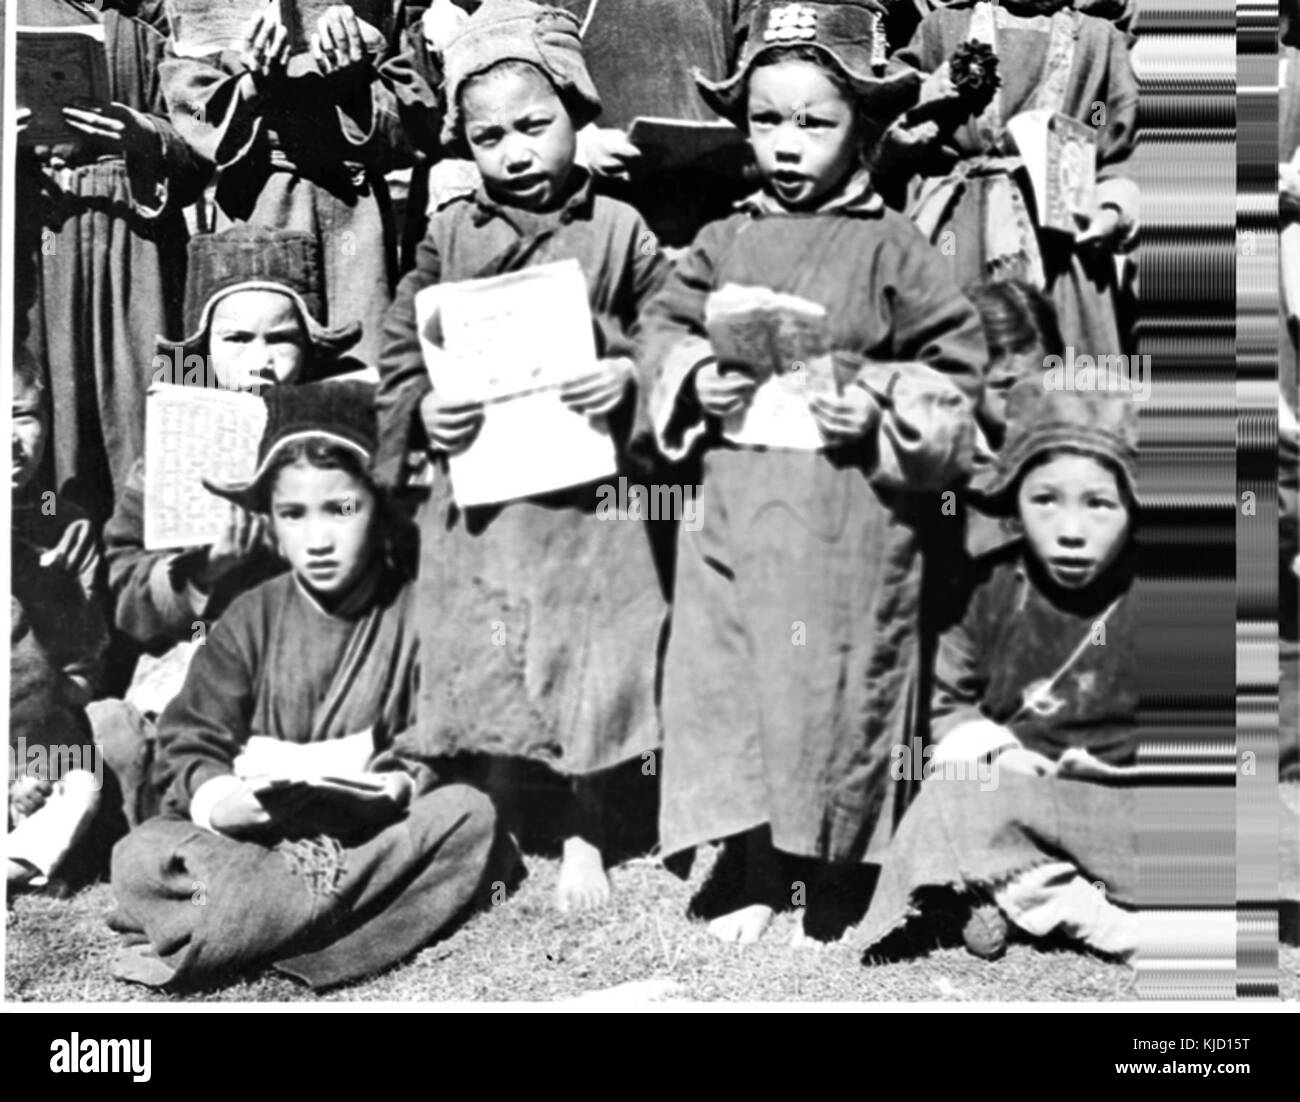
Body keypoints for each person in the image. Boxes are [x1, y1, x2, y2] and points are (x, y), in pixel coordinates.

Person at [639, 0, 987, 946]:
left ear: (863, 128)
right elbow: (661, 327)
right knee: (731, 685)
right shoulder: (723, 240)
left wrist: (877, 397)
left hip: (849, 518)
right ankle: (753, 865)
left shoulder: (894, 246)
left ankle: (829, 876)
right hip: (736, 507)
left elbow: (958, 372)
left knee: (833, 689)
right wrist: (690, 373)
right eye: (766, 121)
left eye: (813, 122)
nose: (786, 144)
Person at [375, 0, 668, 913]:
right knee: (493, 647)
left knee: (587, 653)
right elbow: (400, 344)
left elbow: (671, 327)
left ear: (576, 119)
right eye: (488, 134)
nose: (515, 152)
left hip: (588, 499)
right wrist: (428, 409)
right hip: (487, 497)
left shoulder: (621, 228)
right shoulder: (452, 234)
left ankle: (587, 823)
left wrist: (626, 374)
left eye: (535, 127)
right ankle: (497, 802)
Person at [109, 381, 507, 991]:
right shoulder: (249, 614)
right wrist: (220, 798)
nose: (317, 539)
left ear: (381, 506)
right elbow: (190, 738)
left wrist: (400, 778)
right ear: (270, 521)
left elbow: (435, 733)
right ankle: (318, 911)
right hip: (248, 836)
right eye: (293, 514)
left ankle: (240, 923)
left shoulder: (418, 613)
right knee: (140, 858)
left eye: (341, 510)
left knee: (467, 817)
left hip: (364, 833)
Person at [859, 383, 1149, 960]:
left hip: (1129, 801)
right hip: (1024, 800)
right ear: (1015, 503)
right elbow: (945, 702)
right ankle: (1105, 925)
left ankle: (1005, 894)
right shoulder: (985, 588)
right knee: (958, 793)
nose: (1071, 530)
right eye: (1046, 500)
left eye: (1098, 504)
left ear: (1135, 510)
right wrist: (998, 753)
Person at [97, 226, 367, 827]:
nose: (260, 362)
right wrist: (198, 573)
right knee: (154, 724)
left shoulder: (344, 434)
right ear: (205, 347)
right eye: (237, 338)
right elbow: (124, 583)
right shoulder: (168, 449)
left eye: (281, 339)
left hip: (315, 646)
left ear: (310, 345)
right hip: (200, 650)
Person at [16, 0, 208, 525]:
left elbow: (202, 145)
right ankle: (59, 571)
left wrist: (143, 134)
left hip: (140, 236)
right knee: (47, 401)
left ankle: (153, 559)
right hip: (41, 231)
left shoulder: (156, 23)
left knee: (153, 394)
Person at [158, 2, 414, 366]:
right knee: (253, 358)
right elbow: (192, 110)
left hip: (350, 207)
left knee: (357, 359)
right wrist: (249, 87)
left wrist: (354, 84)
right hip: (256, 200)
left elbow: (415, 108)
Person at [883, 0, 1138, 359]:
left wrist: (1108, 209)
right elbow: (882, 116)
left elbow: (1115, 141)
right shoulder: (944, 28)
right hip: (958, 228)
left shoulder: (1099, 41)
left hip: (1061, 238)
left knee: (1061, 366)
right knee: (955, 363)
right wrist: (923, 97)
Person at [9, 347, 111, 891]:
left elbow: (81, 674)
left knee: (81, 780)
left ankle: (14, 860)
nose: (11, 441)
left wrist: (36, 764)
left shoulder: (64, 525)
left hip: (35, 728)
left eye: (22, 416)